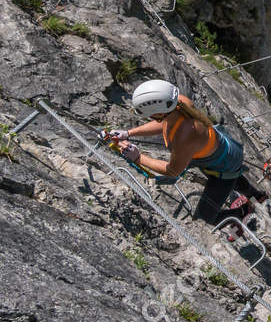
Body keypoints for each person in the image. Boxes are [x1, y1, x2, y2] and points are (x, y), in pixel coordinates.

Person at [107, 80, 251, 223]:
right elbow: (164, 123)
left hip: (223, 165)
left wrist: (138, 158)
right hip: (225, 150)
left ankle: (242, 212)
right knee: (233, 175)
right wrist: (128, 133)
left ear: (157, 113)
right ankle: (256, 195)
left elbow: (172, 171)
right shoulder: (179, 103)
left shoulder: (186, 135)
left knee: (205, 218)